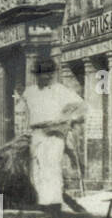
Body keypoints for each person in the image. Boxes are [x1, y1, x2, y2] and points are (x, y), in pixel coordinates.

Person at [24, 56, 88, 208]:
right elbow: (26, 114)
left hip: (54, 134)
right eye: (40, 73)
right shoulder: (30, 92)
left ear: (52, 73)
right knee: (37, 169)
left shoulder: (61, 90)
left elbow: (82, 109)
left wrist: (67, 120)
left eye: (48, 73)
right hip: (36, 133)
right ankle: (40, 202)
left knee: (51, 166)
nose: (44, 76)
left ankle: (53, 204)